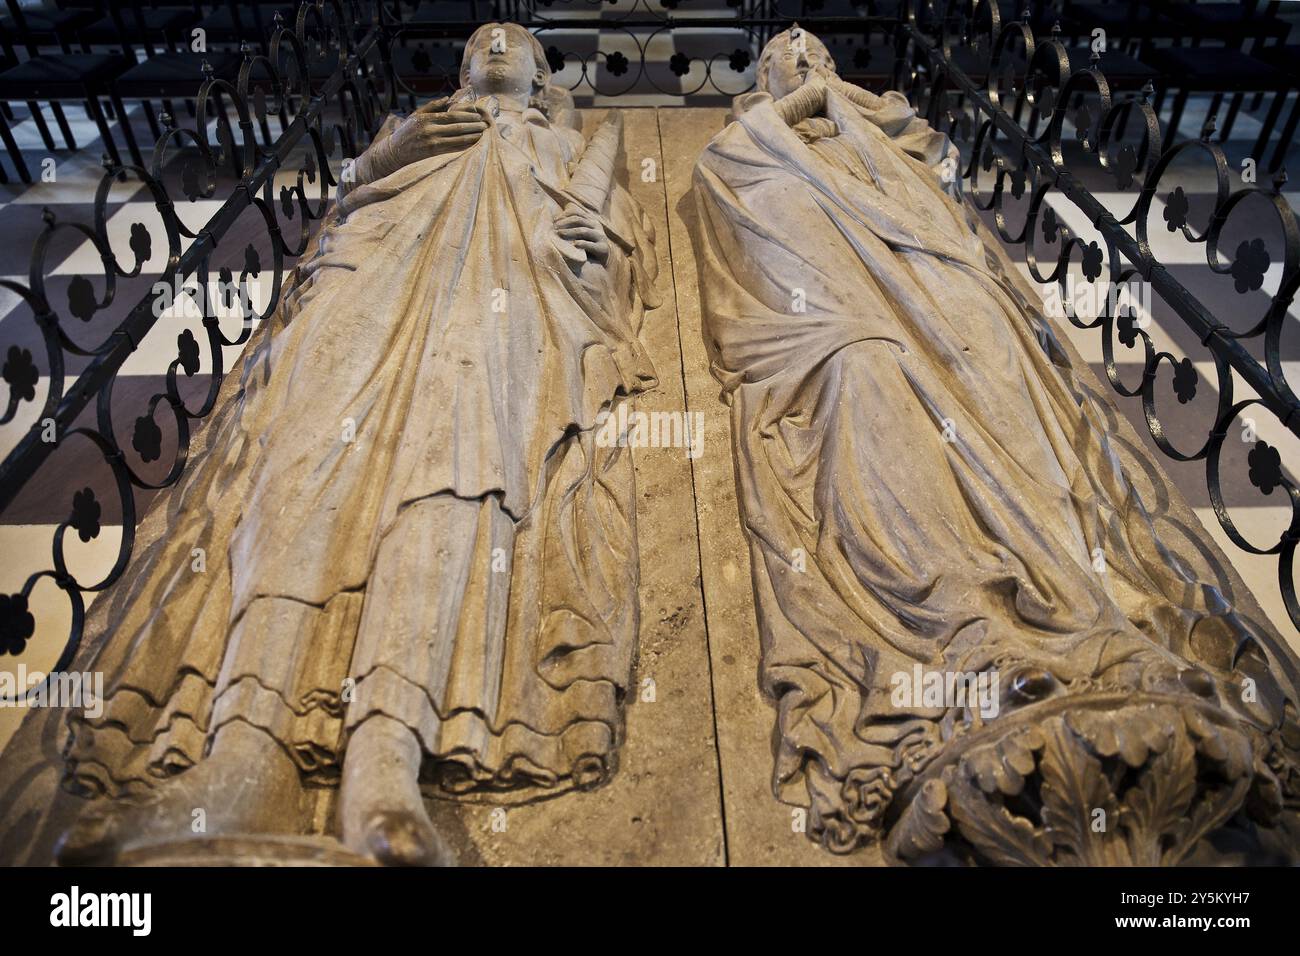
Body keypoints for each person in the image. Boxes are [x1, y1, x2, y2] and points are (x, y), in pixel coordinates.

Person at [57, 22, 660, 866]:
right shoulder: (412, 128)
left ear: (539, 70)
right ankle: (244, 752)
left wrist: (603, 252)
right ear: (456, 68)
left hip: (506, 290)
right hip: (371, 278)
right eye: (481, 38)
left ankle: (386, 759)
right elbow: (344, 200)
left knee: (457, 472)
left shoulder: (569, 145)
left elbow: (620, 257)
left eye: (513, 40)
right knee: (299, 462)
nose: (495, 44)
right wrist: (387, 157)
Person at [691, 27, 1298, 859]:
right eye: (784, 55)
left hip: (944, 278)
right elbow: (734, 210)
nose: (803, 54)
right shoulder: (746, 146)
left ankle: (1085, 609)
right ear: (761, 82)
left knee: (1009, 389)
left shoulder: (886, 122)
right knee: (863, 386)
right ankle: (961, 615)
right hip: (835, 306)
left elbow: (934, 168)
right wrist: (800, 113)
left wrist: (852, 117)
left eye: (816, 53)